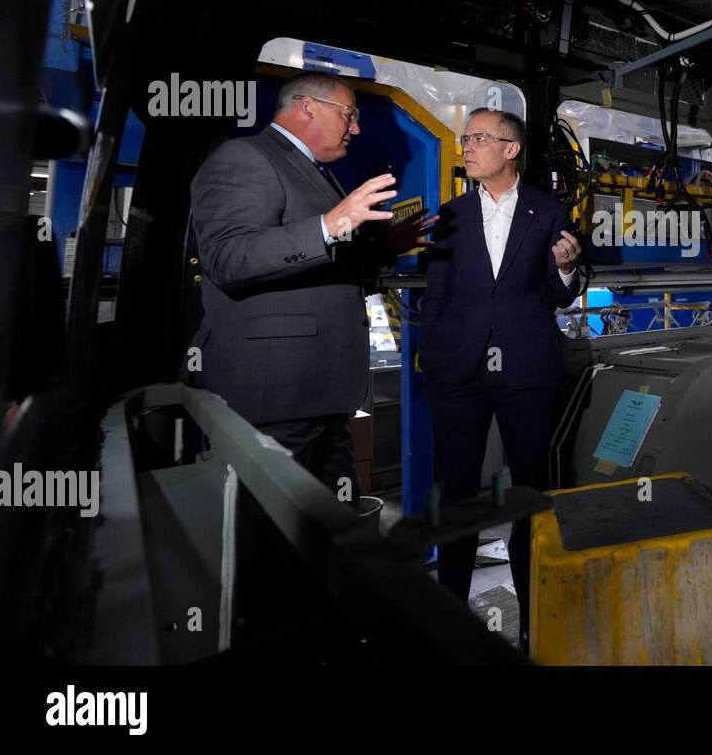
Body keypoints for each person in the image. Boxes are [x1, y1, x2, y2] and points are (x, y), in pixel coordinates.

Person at [188, 72, 432, 498]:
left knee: (329, 528)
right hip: (277, 393)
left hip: (322, 392)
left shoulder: (313, 171)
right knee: (270, 530)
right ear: (308, 107)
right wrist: (329, 224)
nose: (355, 128)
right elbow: (227, 259)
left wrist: (387, 247)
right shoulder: (246, 157)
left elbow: (325, 269)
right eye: (350, 115)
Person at [418, 107, 582, 651]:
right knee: (459, 492)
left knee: (530, 491)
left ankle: (536, 610)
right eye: (467, 139)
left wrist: (565, 266)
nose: (467, 147)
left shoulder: (549, 210)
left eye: (479, 139)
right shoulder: (451, 214)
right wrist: (436, 353)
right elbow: (435, 293)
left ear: (511, 149)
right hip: (458, 372)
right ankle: (448, 611)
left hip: (526, 367)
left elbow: (561, 295)